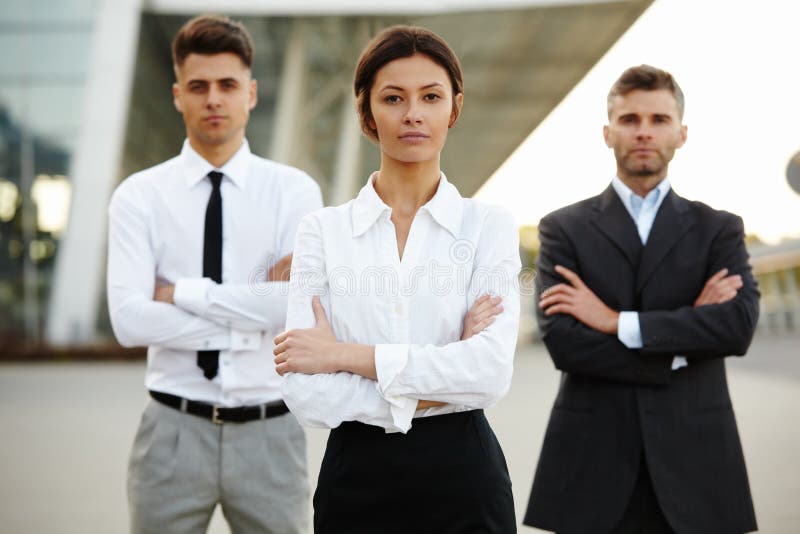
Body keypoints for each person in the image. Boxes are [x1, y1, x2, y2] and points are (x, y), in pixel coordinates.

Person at [272, 25, 521, 533]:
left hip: (465, 478)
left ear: (453, 108)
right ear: (367, 113)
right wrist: (446, 371)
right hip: (356, 478)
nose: (413, 113)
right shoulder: (322, 230)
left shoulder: (487, 225)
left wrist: (345, 356)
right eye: (393, 98)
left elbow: (490, 373)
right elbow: (306, 391)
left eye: (430, 96)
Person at [106, 15, 323, 534]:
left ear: (250, 93)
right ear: (178, 95)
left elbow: (294, 308)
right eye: (199, 87)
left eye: (227, 85)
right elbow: (130, 321)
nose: (213, 99)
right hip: (171, 433)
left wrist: (180, 294)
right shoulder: (139, 196)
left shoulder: (294, 193)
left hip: (270, 432)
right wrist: (252, 322)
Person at [523, 64, 759, 534]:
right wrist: (686, 333)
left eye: (659, 120)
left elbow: (736, 327)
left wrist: (616, 322)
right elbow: (565, 342)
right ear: (608, 133)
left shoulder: (719, 228)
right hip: (593, 466)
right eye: (630, 120)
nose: (644, 132)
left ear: (682, 133)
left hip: (699, 462)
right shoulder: (562, 228)